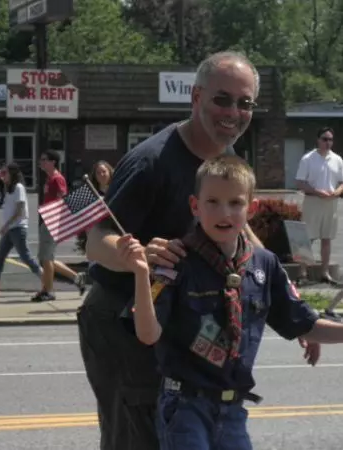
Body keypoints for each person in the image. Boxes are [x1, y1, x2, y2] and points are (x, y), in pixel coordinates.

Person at [78, 51, 320, 450]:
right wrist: (135, 257)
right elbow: (95, 241)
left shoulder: (225, 160)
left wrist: (294, 311)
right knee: (137, 438)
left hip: (175, 325)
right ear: (196, 97)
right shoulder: (151, 162)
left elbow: (245, 240)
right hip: (121, 320)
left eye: (245, 103)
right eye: (222, 99)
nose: (233, 112)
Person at [117, 154, 343, 450]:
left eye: (235, 203)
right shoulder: (176, 260)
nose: (224, 213)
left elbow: (304, 324)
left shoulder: (263, 265)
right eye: (212, 202)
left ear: (250, 209)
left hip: (233, 409)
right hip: (185, 406)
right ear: (195, 206)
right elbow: (148, 335)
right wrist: (140, 273)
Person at [32, 150, 86, 302]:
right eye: (41, 159)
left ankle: (48, 291)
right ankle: (76, 278)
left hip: (52, 221)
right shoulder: (49, 179)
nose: (41, 162)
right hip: (46, 220)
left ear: (53, 162)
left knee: (46, 258)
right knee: (45, 258)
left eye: (44, 159)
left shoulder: (57, 178)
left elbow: (63, 198)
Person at [0, 163, 42, 295]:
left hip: (18, 228)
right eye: (2, 173)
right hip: (10, 229)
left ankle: (46, 282)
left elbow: (19, 210)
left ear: (12, 174)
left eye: (5, 173)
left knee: (26, 258)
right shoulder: (9, 189)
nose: (2, 176)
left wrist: (6, 225)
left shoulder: (19, 188)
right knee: (0, 256)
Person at [296, 126, 343, 286]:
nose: (328, 142)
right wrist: (317, 192)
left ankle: (325, 273)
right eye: (324, 139)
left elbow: (342, 182)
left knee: (327, 238)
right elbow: (300, 182)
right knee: (306, 238)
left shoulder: (337, 159)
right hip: (312, 202)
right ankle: (302, 273)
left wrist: (337, 192)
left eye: (330, 139)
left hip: (331, 203)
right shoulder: (308, 159)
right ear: (318, 140)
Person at [76, 160, 114, 254]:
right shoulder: (91, 192)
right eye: (98, 173)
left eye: (104, 171)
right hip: (96, 231)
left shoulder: (116, 189)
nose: (101, 174)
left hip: (113, 229)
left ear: (109, 172)